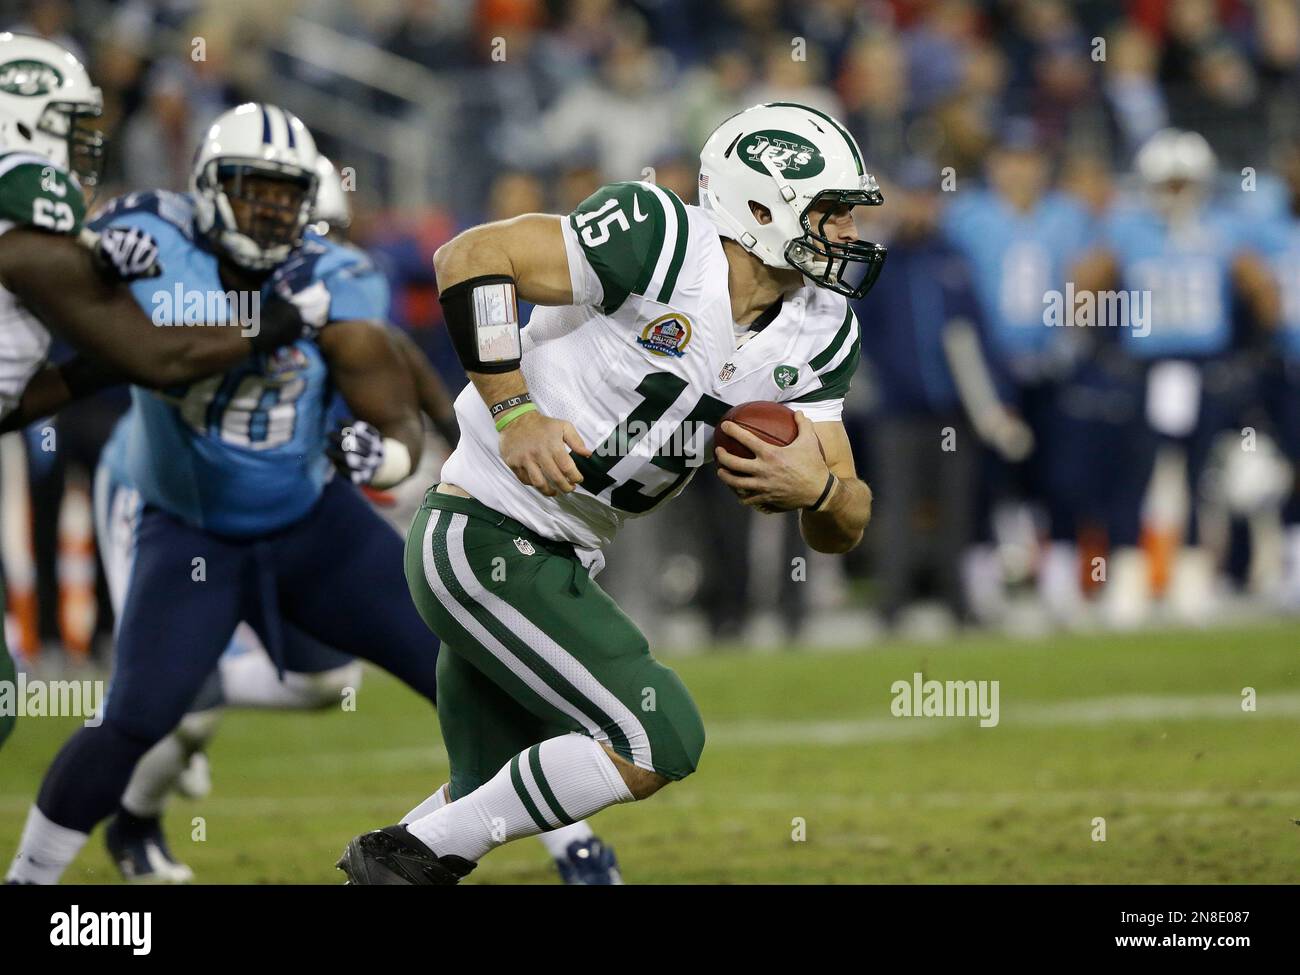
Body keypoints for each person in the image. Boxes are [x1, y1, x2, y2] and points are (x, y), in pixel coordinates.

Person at [337, 102, 880, 885]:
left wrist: (819, 488)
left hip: (565, 556)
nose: (850, 235)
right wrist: (514, 409)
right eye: (832, 213)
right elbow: (471, 258)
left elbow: (847, 520)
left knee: (478, 793)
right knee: (661, 736)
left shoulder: (823, 324)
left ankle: (399, 857)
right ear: (762, 206)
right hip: (487, 531)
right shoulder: (659, 239)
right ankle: (414, 853)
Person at [0, 36, 314, 752]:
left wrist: (95, 360)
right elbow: (164, 358)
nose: (86, 148)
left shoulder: (38, 241)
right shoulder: (32, 244)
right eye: (69, 130)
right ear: (21, 123)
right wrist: (273, 324)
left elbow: (11, 404)